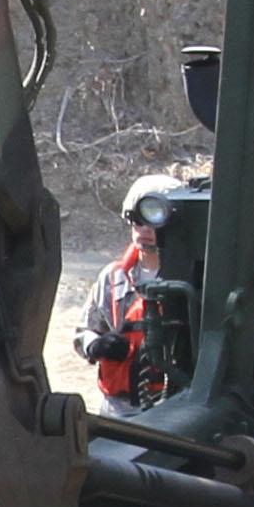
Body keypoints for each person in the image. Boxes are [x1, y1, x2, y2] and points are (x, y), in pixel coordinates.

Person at [76, 172, 194, 409]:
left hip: (174, 408)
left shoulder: (192, 280)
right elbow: (84, 332)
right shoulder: (113, 277)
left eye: (153, 221)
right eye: (138, 221)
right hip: (116, 409)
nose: (144, 230)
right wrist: (95, 345)